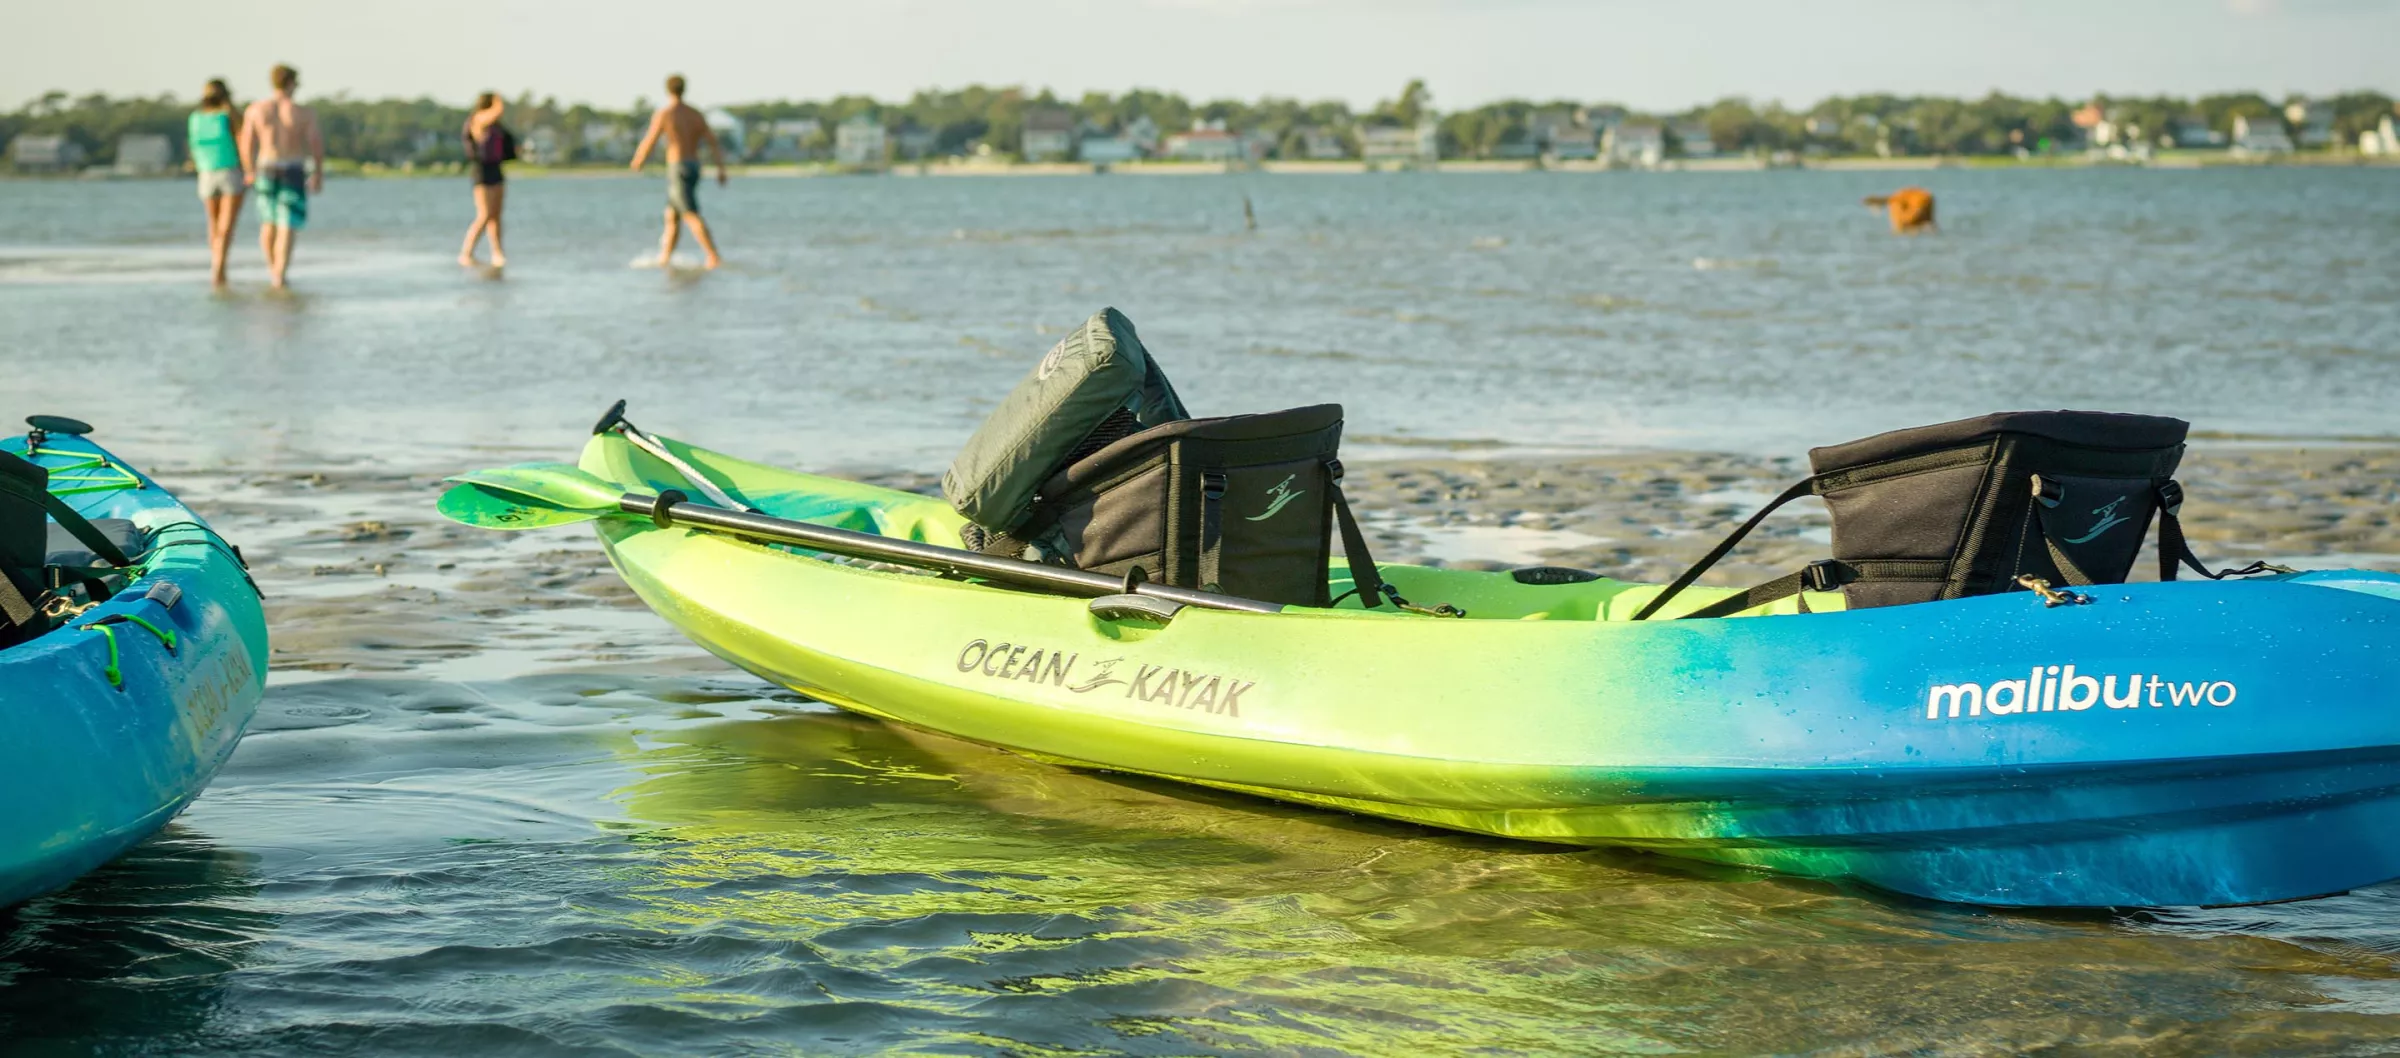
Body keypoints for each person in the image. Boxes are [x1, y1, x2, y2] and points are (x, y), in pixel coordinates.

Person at [237, 63, 324, 289]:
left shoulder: (256, 110)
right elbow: (315, 144)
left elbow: (246, 142)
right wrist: (318, 173)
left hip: (265, 166)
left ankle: (272, 267)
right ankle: (279, 274)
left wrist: (248, 170)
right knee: (287, 223)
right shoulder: (303, 112)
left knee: (268, 222)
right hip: (293, 168)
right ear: (292, 83)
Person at [629, 73, 727, 269]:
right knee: (672, 215)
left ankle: (713, 256)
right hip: (694, 166)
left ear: (668, 90)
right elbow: (713, 142)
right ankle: (665, 258)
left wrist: (638, 160)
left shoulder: (665, 114)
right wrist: (720, 169)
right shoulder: (695, 114)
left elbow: (651, 139)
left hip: (678, 167)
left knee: (690, 213)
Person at [188, 79, 246, 287]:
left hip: (206, 172)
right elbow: (243, 138)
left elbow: (193, 146)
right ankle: (219, 269)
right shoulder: (228, 115)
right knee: (226, 226)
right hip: (230, 170)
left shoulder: (195, 118)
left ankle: (217, 266)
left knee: (213, 224)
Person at [458, 92, 515, 268]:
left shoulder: (496, 126)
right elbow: (497, 111)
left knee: (496, 216)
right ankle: (466, 252)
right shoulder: (478, 119)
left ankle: (497, 252)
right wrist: (498, 100)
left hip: (496, 169)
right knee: (484, 215)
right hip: (481, 171)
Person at [1863, 187, 1936, 234]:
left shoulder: (1896, 199)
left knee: (1900, 228)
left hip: (1920, 203)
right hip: (1925, 201)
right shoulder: (1901, 196)